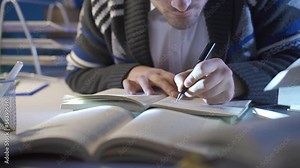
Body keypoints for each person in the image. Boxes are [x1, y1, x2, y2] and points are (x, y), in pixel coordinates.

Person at [65, 0, 300, 105]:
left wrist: (239, 82)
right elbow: (79, 74)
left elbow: (295, 68)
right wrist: (128, 73)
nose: (182, 5)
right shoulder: (105, 4)